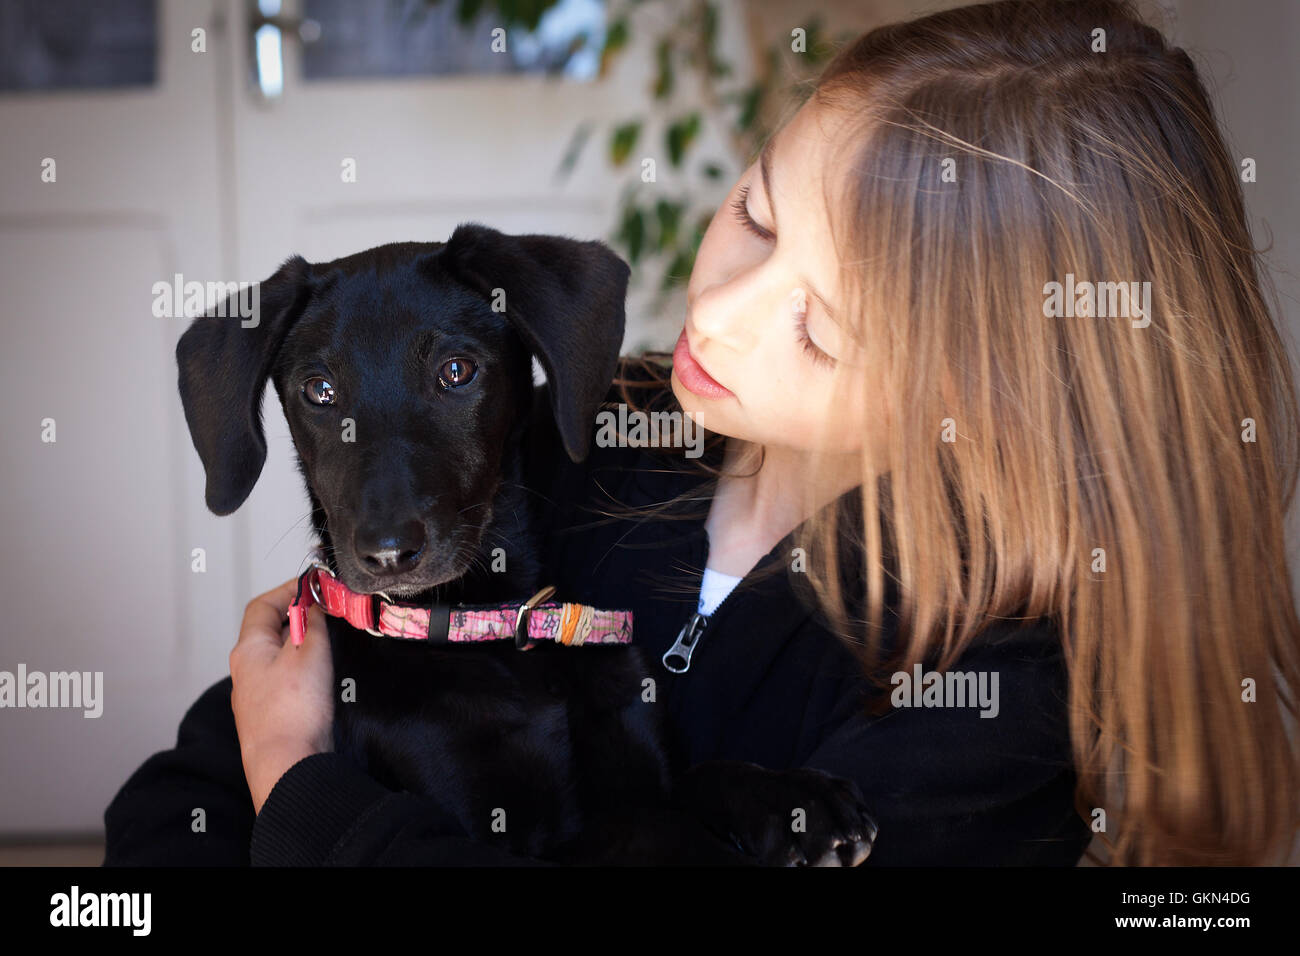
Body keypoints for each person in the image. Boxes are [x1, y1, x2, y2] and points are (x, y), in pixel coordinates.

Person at [104, 0, 1300, 867]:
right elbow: (174, 809)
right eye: (755, 214)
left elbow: (283, 762)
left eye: (821, 330)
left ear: (986, 396)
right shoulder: (581, 433)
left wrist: (301, 791)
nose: (716, 310)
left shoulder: (996, 685)